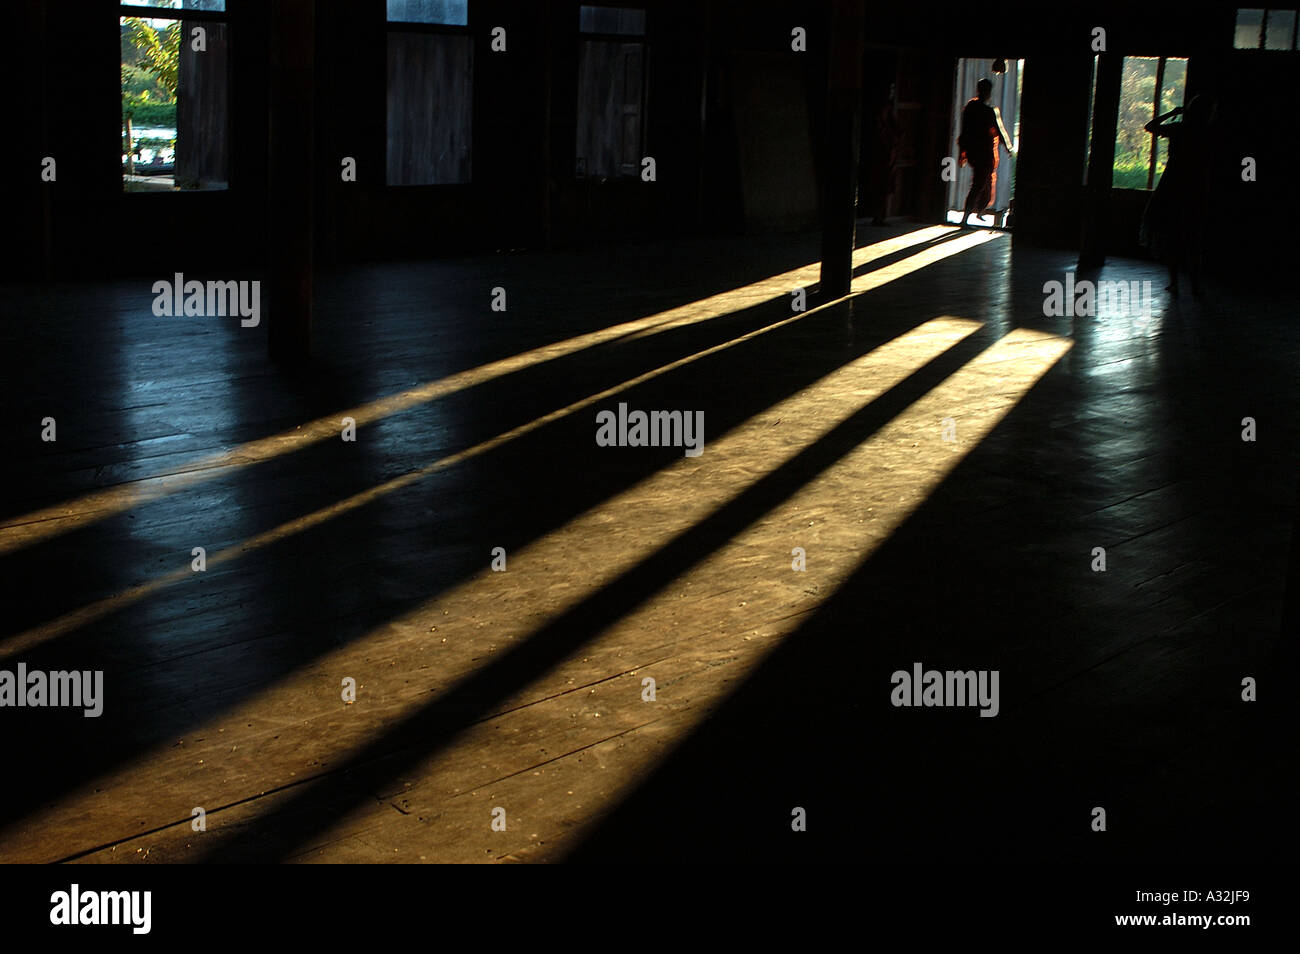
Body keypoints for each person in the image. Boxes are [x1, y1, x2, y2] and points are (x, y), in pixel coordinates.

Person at [1140, 94, 1216, 296]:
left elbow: (1150, 126)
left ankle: (1174, 282)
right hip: (1196, 187)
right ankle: (1195, 286)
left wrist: (1172, 113)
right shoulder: (1208, 134)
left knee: (1172, 237)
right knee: (1193, 239)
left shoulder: (1179, 129)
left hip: (1173, 184)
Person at [958, 78, 1014, 227]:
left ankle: (978, 210)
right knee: (979, 184)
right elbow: (999, 131)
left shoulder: (970, 107)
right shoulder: (988, 111)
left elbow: (964, 132)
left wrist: (962, 151)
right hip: (983, 152)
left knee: (983, 182)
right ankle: (966, 218)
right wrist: (1008, 147)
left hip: (973, 151)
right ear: (989, 92)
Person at [862, 83, 904, 226]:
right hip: (883, 151)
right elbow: (883, 129)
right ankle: (878, 215)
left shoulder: (887, 108)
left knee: (883, 184)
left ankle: (880, 215)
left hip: (887, 150)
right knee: (882, 184)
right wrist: (891, 141)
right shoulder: (882, 110)